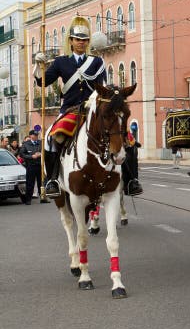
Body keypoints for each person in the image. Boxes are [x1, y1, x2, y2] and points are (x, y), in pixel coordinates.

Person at [33, 16, 143, 198]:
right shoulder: (61, 62)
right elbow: (42, 82)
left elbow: (103, 86)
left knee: (127, 139)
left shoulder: (96, 62)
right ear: (71, 41)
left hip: (94, 109)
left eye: (84, 40)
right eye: (78, 40)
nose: (81, 43)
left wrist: (99, 102)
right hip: (70, 110)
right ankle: (52, 180)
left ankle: (131, 181)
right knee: (52, 137)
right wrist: (39, 66)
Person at [19, 129, 46, 204]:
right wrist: (31, 156)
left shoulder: (41, 142)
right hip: (31, 166)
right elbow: (22, 154)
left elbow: (45, 151)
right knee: (30, 183)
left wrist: (41, 154)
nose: (36, 136)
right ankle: (28, 199)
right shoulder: (26, 144)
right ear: (31, 136)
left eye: (37, 135)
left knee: (41, 183)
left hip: (40, 165)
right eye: (35, 135)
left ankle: (43, 198)